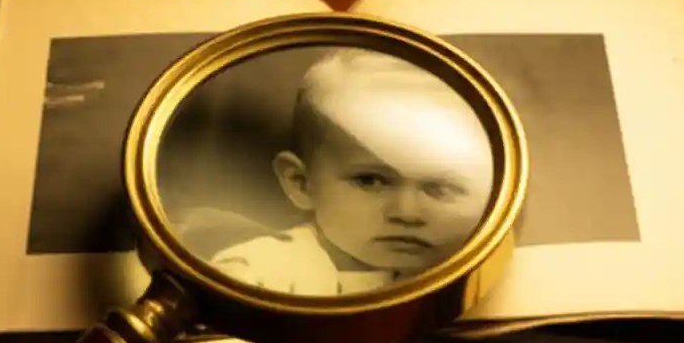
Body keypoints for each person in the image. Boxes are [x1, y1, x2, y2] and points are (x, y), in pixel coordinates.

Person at [210, 48, 494, 296]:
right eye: (370, 181)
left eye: (440, 187)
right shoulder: (253, 272)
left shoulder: (469, 271)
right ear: (301, 183)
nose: (407, 213)